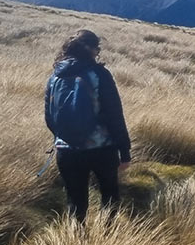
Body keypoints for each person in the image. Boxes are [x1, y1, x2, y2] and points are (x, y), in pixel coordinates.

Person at [44, 29, 131, 223]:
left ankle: (78, 241)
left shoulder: (54, 77)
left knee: (75, 201)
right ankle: (108, 238)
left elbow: (50, 118)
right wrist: (124, 153)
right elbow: (115, 116)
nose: (97, 52)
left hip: (66, 150)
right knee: (110, 195)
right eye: (97, 48)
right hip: (102, 148)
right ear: (91, 49)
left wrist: (64, 137)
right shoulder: (100, 74)